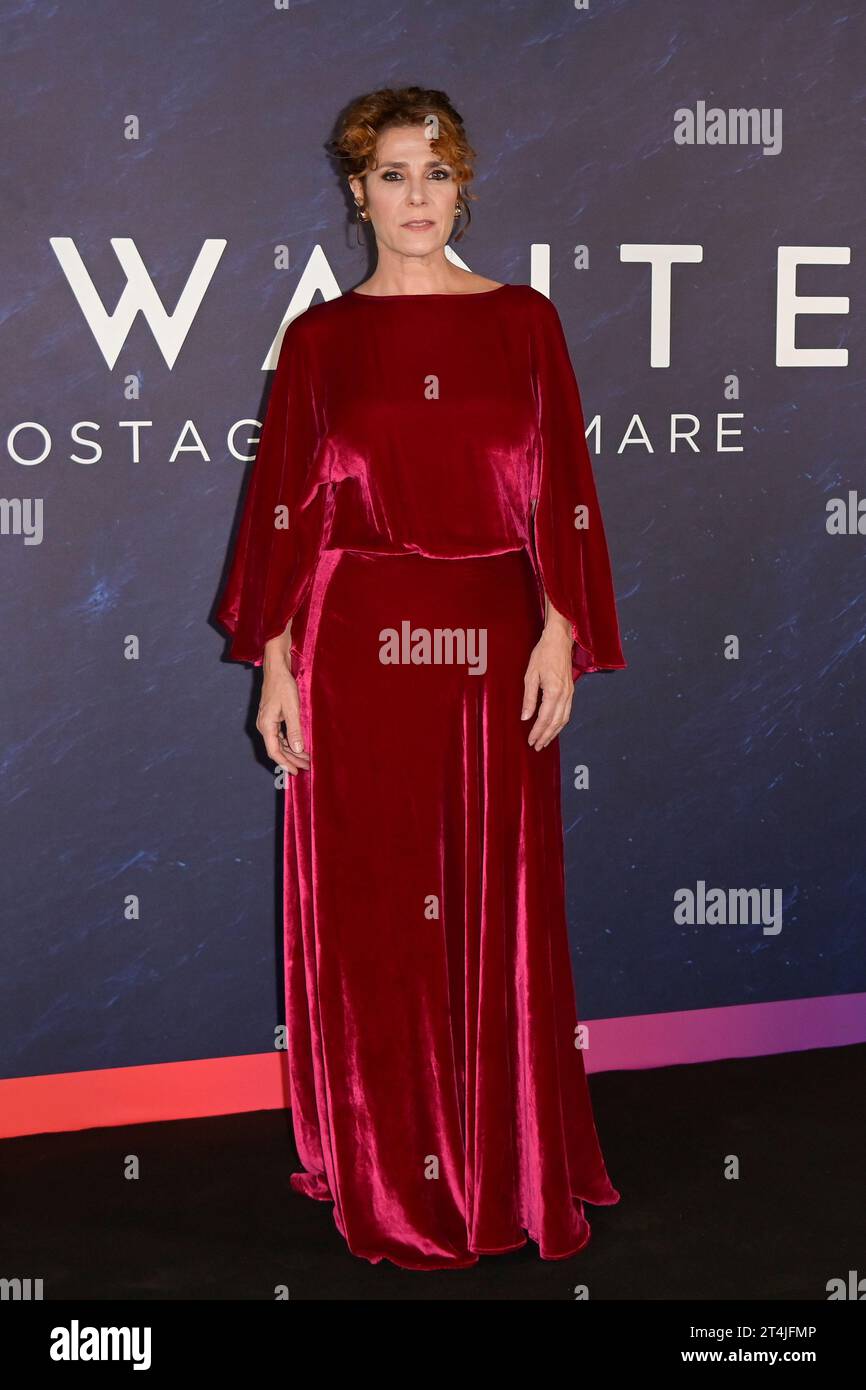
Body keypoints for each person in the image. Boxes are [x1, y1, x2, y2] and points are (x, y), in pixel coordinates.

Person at [216, 86, 627, 1271]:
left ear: (463, 187)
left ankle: (505, 1156)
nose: (414, 196)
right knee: (378, 918)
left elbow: (562, 489)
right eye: (391, 174)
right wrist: (276, 661)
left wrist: (558, 629)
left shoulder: (523, 321)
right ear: (357, 193)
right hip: (356, 651)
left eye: (435, 173)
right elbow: (284, 514)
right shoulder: (320, 341)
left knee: (498, 905)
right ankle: (390, 1162)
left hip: (494, 643)